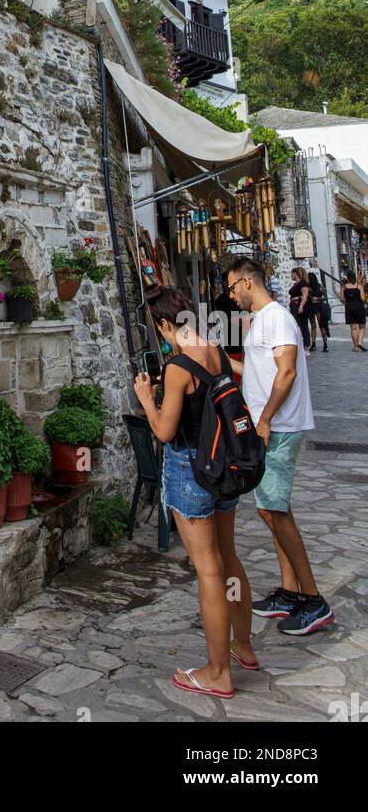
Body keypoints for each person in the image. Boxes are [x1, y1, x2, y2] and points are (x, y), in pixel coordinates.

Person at [133, 286, 256, 699]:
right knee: (229, 557)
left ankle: (217, 672)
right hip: (224, 467)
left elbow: (165, 431)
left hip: (190, 470)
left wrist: (146, 400)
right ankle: (243, 646)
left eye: (160, 329)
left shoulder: (177, 366)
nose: (162, 336)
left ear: (167, 324)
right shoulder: (216, 350)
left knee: (207, 570)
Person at [226, 258, 334, 636]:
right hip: (266, 426)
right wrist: (223, 363)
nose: (231, 295)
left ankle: (314, 601)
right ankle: (290, 591)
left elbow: (286, 371)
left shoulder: (276, 318)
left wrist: (267, 418)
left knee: (275, 511)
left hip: (279, 427)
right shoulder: (263, 321)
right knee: (272, 510)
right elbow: (259, 371)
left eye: (232, 287)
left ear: (246, 282)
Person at [340, 269, 367, 352]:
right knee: (362, 327)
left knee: (353, 328)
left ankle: (355, 347)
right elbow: (362, 298)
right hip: (359, 307)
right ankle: (359, 343)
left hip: (349, 308)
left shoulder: (343, 287)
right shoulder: (359, 286)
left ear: (347, 277)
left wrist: (347, 300)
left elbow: (341, 299)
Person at [288, 267, 312, 350]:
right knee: (297, 324)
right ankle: (300, 342)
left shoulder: (303, 283)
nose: (291, 275)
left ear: (295, 273)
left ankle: (306, 345)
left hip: (298, 305)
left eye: (292, 273)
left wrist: (301, 306)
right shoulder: (296, 284)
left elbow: (305, 295)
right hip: (294, 305)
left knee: (303, 325)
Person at [306, 271, 330, 352]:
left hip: (316, 307)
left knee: (318, 325)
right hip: (315, 307)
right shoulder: (316, 287)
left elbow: (324, 295)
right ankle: (321, 344)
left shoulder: (313, 287)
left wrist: (316, 298)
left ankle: (318, 343)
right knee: (318, 325)